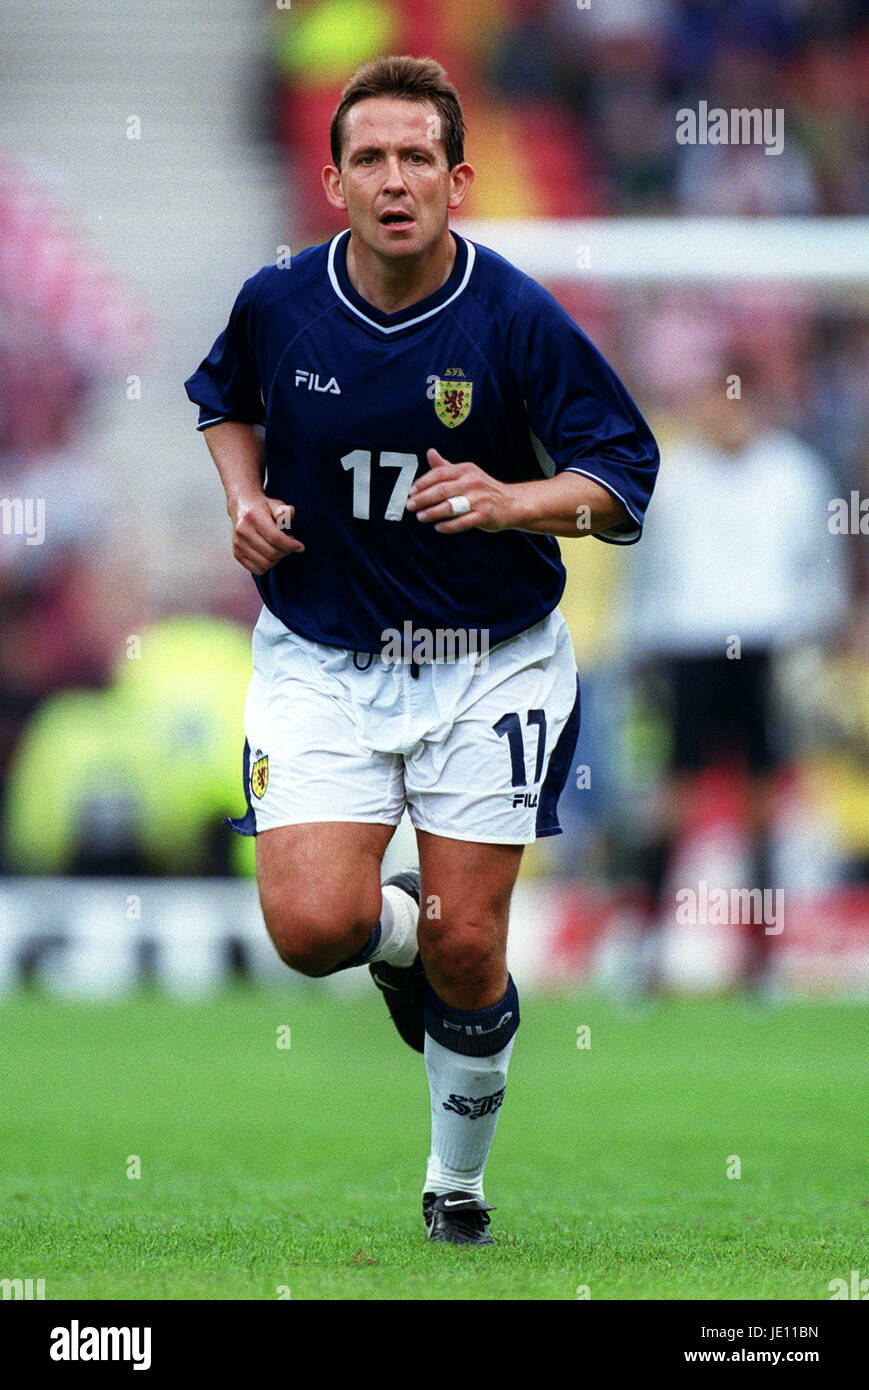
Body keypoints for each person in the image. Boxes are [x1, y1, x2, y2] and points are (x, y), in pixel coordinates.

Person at [185, 54, 659, 1245]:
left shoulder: (513, 315)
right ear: (333, 179)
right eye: (367, 159)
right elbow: (222, 401)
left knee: (468, 943)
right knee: (307, 932)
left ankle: (455, 1185)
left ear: (458, 176)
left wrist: (511, 501)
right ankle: (389, 934)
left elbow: (622, 479)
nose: (392, 180)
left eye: (414, 159)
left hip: (485, 656)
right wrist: (241, 500)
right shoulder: (279, 299)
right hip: (323, 650)